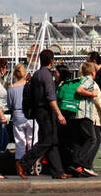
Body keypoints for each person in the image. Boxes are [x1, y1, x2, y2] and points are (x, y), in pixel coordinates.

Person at [18, 49, 68, 179]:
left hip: (39, 111)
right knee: (47, 141)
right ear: (52, 61)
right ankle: (23, 163)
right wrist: (59, 114)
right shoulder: (46, 75)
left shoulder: (37, 74)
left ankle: (57, 171)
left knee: (52, 141)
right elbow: (51, 97)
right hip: (46, 111)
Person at [6, 64, 33, 164]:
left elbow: (9, 105)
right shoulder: (30, 86)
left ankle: (20, 165)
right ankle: (32, 164)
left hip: (17, 114)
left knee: (19, 142)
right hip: (30, 115)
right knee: (32, 141)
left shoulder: (11, 88)